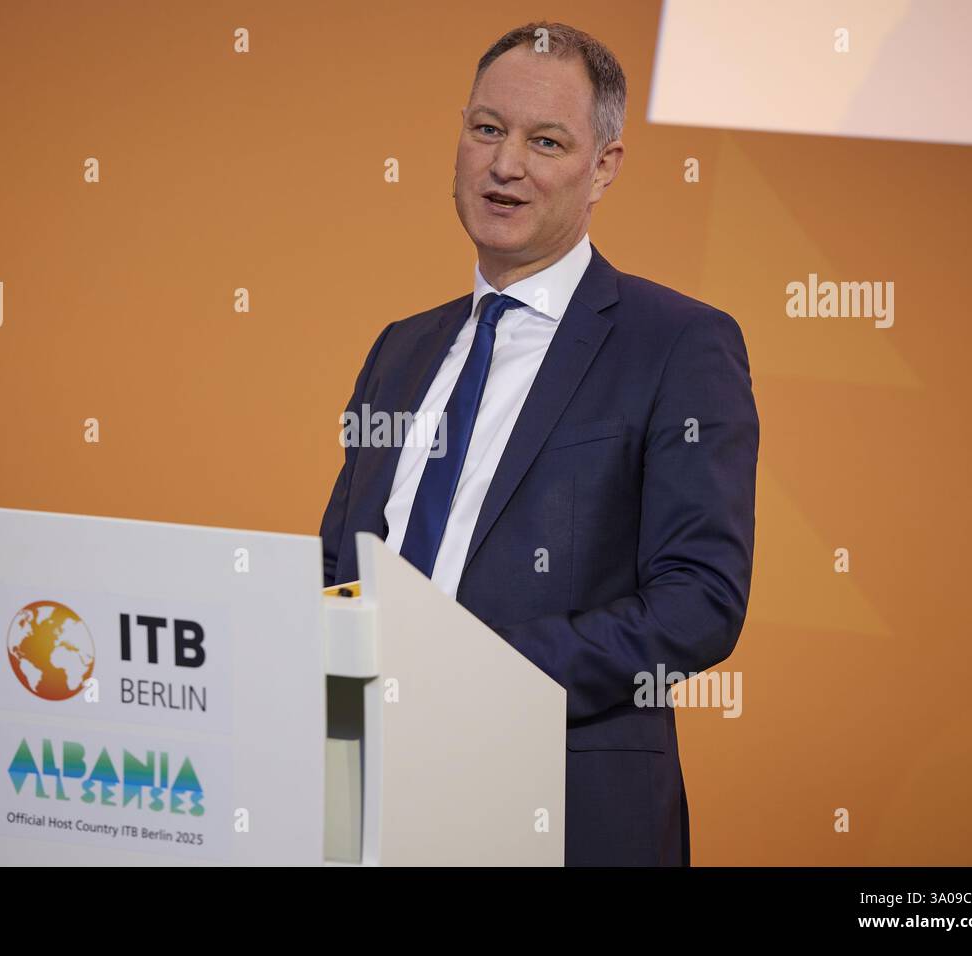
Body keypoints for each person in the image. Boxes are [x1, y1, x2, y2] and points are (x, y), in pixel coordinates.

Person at [319, 20, 759, 866]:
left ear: (603, 167)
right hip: (366, 795)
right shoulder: (400, 349)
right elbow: (342, 562)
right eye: (486, 129)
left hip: (562, 803)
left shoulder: (677, 343)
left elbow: (699, 600)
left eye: (545, 140)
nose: (505, 164)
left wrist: (475, 673)